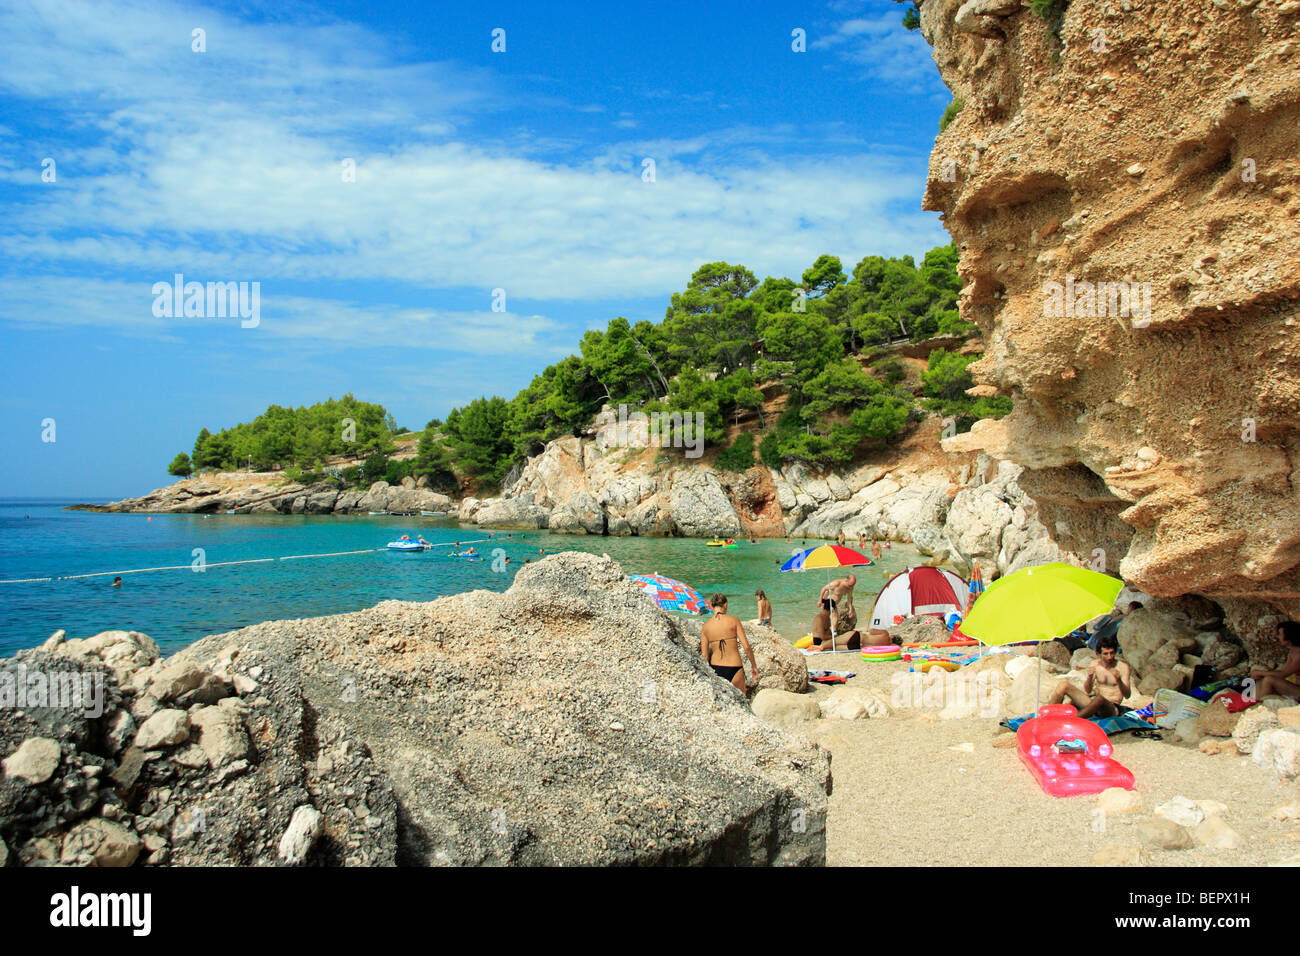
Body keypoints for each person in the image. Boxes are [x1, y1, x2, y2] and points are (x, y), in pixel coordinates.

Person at [1048, 634, 1132, 717]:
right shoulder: (1095, 664)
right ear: (1098, 654)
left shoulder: (1122, 667)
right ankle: (1048, 715)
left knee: (1100, 698)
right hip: (1094, 703)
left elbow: (1127, 695)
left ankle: (1074, 720)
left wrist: (1119, 680)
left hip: (1111, 707)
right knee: (1064, 685)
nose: (1109, 657)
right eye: (1105, 654)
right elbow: (1088, 690)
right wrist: (1089, 677)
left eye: (1112, 653)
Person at [700, 594, 758, 693]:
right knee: (741, 703)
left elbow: (705, 656)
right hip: (735, 667)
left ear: (712, 606)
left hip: (716, 668)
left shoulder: (706, 627)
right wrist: (754, 666)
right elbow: (746, 647)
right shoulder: (734, 620)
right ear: (725, 605)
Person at [1250, 622, 1300, 699]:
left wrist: (1261, 672)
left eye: (1279, 634)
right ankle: (1255, 702)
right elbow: (1282, 670)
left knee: (1269, 680)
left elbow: (1283, 674)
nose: (1277, 637)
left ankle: (1259, 705)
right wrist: (1260, 674)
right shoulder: (1292, 652)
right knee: (1261, 680)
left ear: (1289, 636)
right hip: (1297, 687)